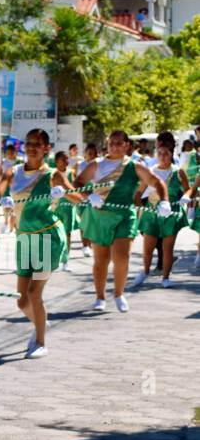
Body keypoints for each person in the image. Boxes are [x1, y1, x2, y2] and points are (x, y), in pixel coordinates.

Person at [76, 129, 167, 313]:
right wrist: (89, 195)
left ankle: (119, 293)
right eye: (111, 143)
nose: (114, 146)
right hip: (100, 216)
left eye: (119, 143)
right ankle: (100, 296)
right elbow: (77, 182)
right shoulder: (96, 164)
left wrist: (164, 201)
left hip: (124, 217)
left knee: (122, 257)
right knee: (101, 260)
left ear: (127, 145)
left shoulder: (135, 166)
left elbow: (157, 182)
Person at [7, 128, 73, 359]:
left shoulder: (53, 174)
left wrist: (62, 192)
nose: (32, 146)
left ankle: (40, 341)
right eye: (28, 142)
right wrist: (0, 199)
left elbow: (77, 196)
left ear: (46, 148)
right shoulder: (13, 171)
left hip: (47, 238)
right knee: (22, 301)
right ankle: (40, 324)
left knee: (34, 293)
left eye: (37, 143)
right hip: (24, 238)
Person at [136, 132, 191, 289]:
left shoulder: (178, 172)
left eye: (165, 153)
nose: (162, 156)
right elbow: (139, 193)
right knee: (148, 248)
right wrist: (139, 209)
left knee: (168, 248)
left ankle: (166, 277)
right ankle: (145, 271)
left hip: (171, 213)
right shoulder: (150, 171)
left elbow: (188, 190)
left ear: (171, 154)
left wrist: (186, 197)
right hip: (152, 213)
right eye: (159, 153)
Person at [52, 150, 79, 271]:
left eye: (67, 159)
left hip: (68, 207)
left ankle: (65, 261)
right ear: (57, 161)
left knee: (67, 234)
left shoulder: (71, 172)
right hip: (56, 207)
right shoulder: (52, 174)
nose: (66, 161)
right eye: (64, 159)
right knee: (54, 234)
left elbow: (74, 188)